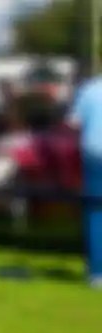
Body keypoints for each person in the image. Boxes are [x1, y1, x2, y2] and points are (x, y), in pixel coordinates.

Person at [68, 72, 102, 288]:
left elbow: (73, 123)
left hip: (95, 156)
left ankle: (97, 273)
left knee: (96, 214)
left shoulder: (89, 89)